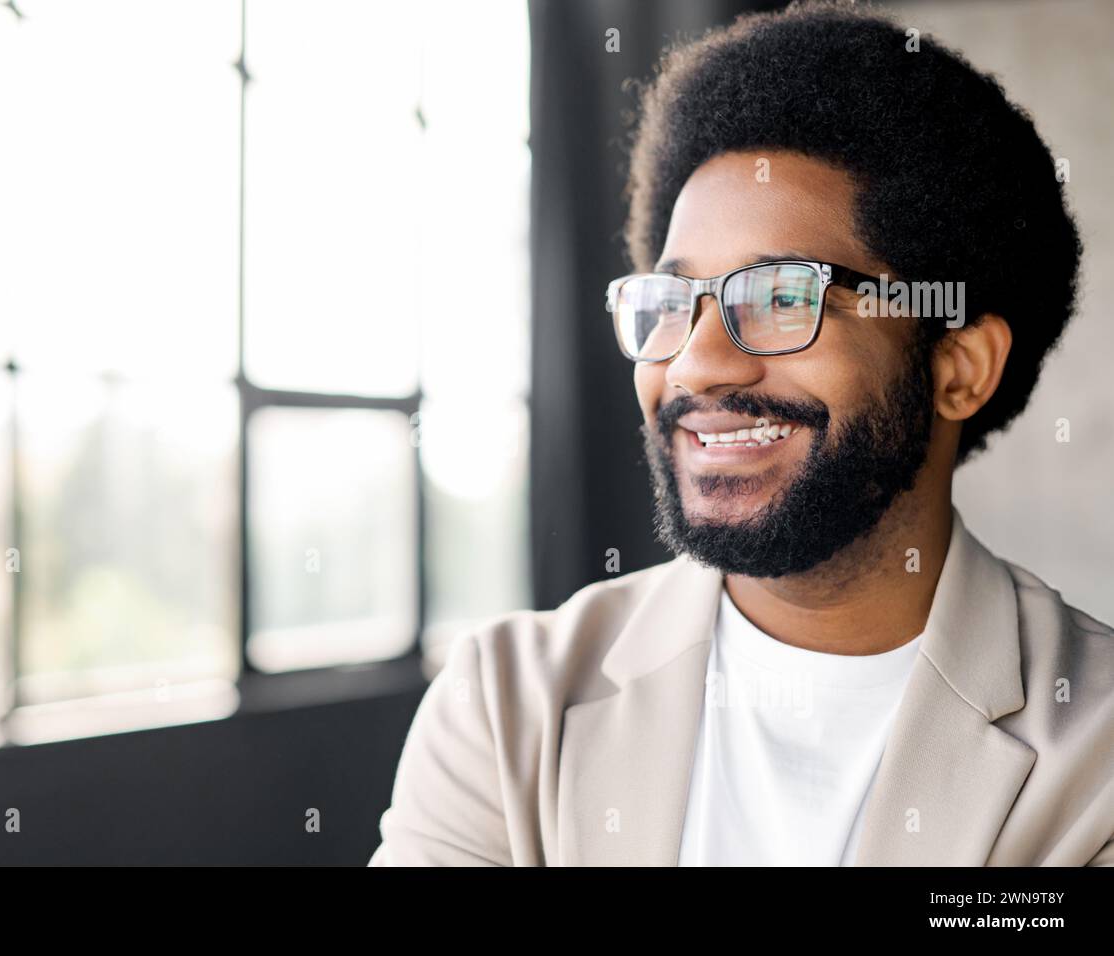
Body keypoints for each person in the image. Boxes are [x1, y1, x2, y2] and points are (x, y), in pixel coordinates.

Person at [368, 0, 1112, 866]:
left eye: (784, 297)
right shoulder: (505, 705)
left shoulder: (1094, 755)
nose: (694, 365)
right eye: (672, 303)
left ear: (959, 366)